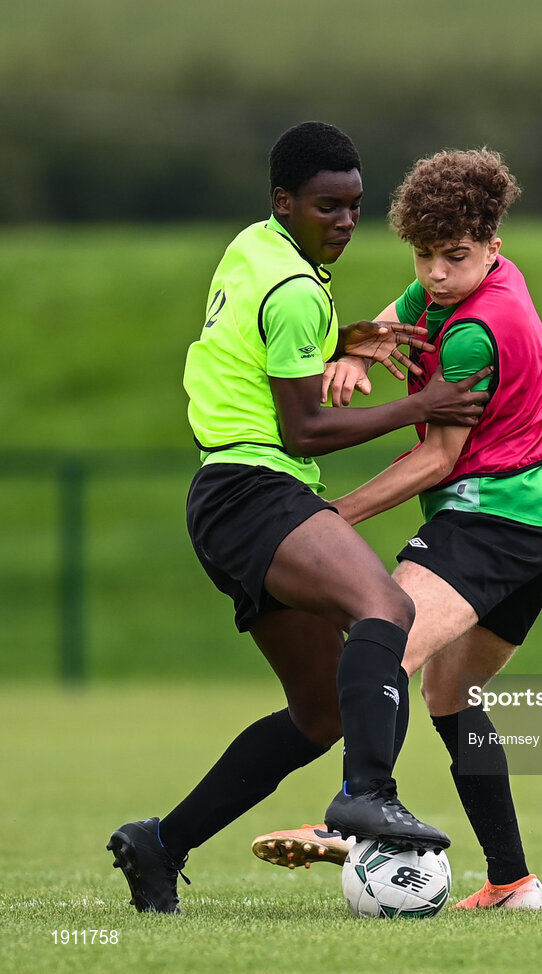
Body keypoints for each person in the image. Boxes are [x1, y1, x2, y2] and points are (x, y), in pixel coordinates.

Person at [106, 121, 492, 914]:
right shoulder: (292, 290)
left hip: (228, 494)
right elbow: (304, 430)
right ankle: (369, 796)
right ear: (285, 200)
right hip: (255, 489)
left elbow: (254, 342)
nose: (344, 222)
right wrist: (421, 403)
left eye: (354, 207)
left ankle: (159, 844)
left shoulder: (258, 250)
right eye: (326, 207)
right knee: (385, 604)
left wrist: (341, 335)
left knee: (318, 712)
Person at [250, 148, 542, 910]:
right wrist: (359, 345)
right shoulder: (481, 276)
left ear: (492, 244)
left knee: (380, 646)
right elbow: (401, 314)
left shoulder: (477, 332)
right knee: (448, 691)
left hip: (489, 521)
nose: (435, 274)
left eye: (453, 258)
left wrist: (331, 516)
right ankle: (512, 881)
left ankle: (356, 816)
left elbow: (435, 459)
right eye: (424, 256)